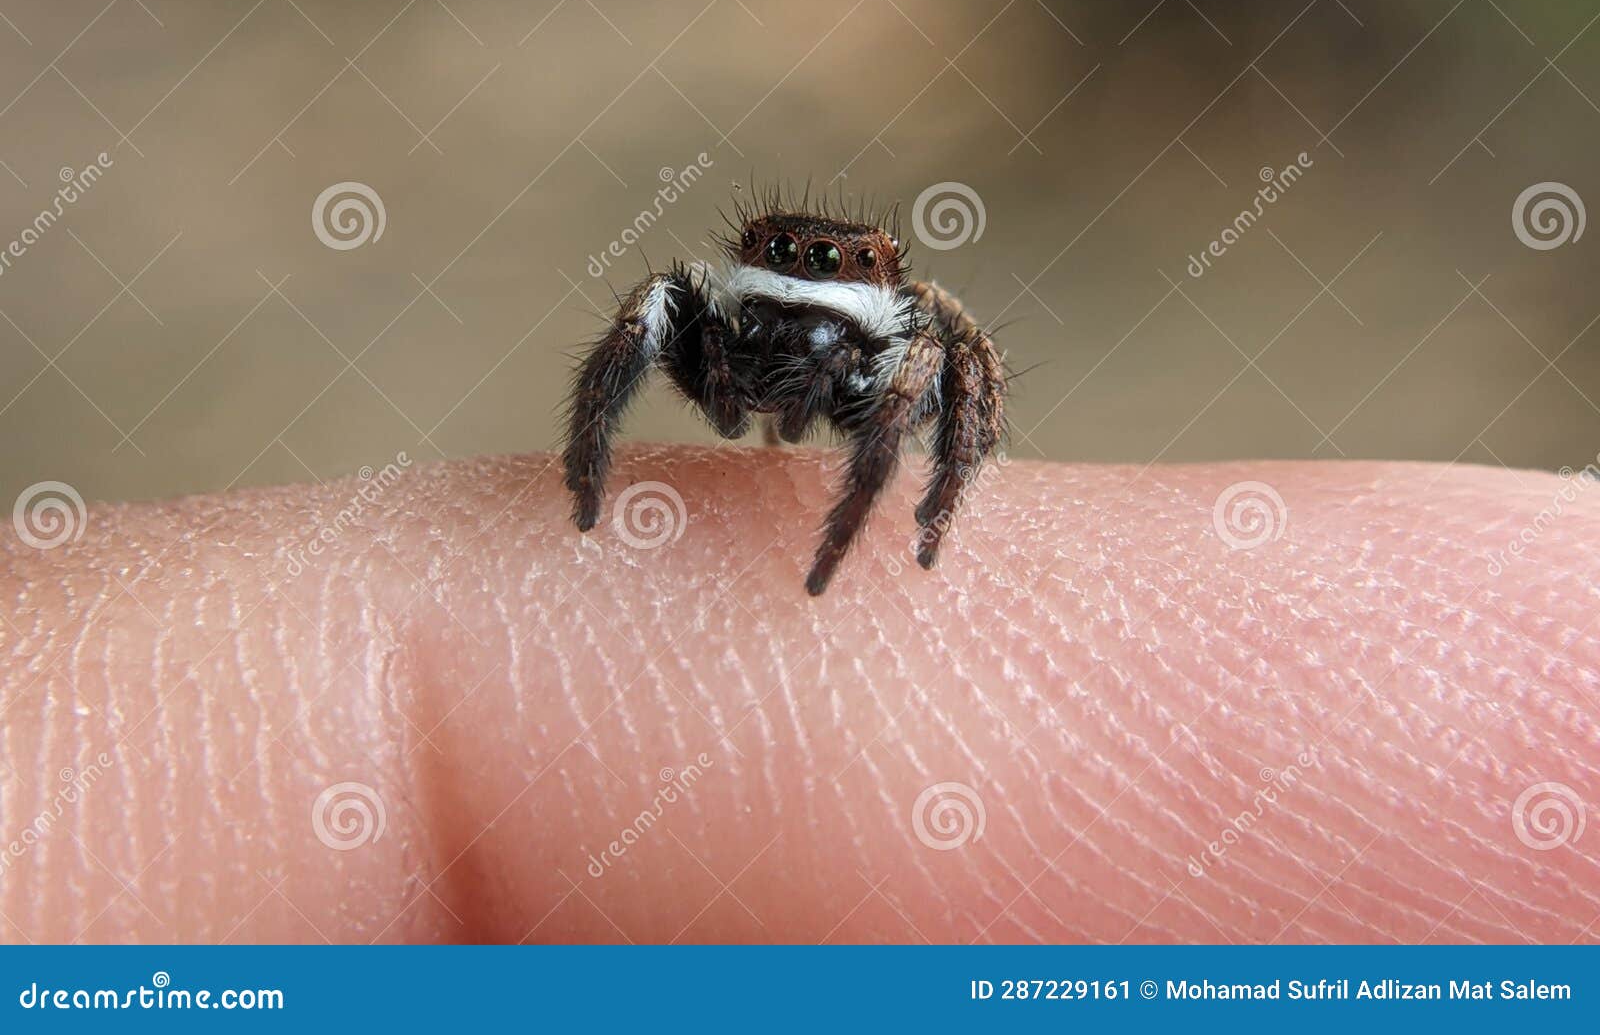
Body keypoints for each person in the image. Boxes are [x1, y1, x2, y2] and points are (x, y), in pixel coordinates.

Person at [1, 444, 1594, 943]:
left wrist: (904, 517)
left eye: (852, 275)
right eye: (793, 270)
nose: (822, 282)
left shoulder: (903, 335)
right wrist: (588, 474)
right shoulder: (713, 301)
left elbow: (936, 352)